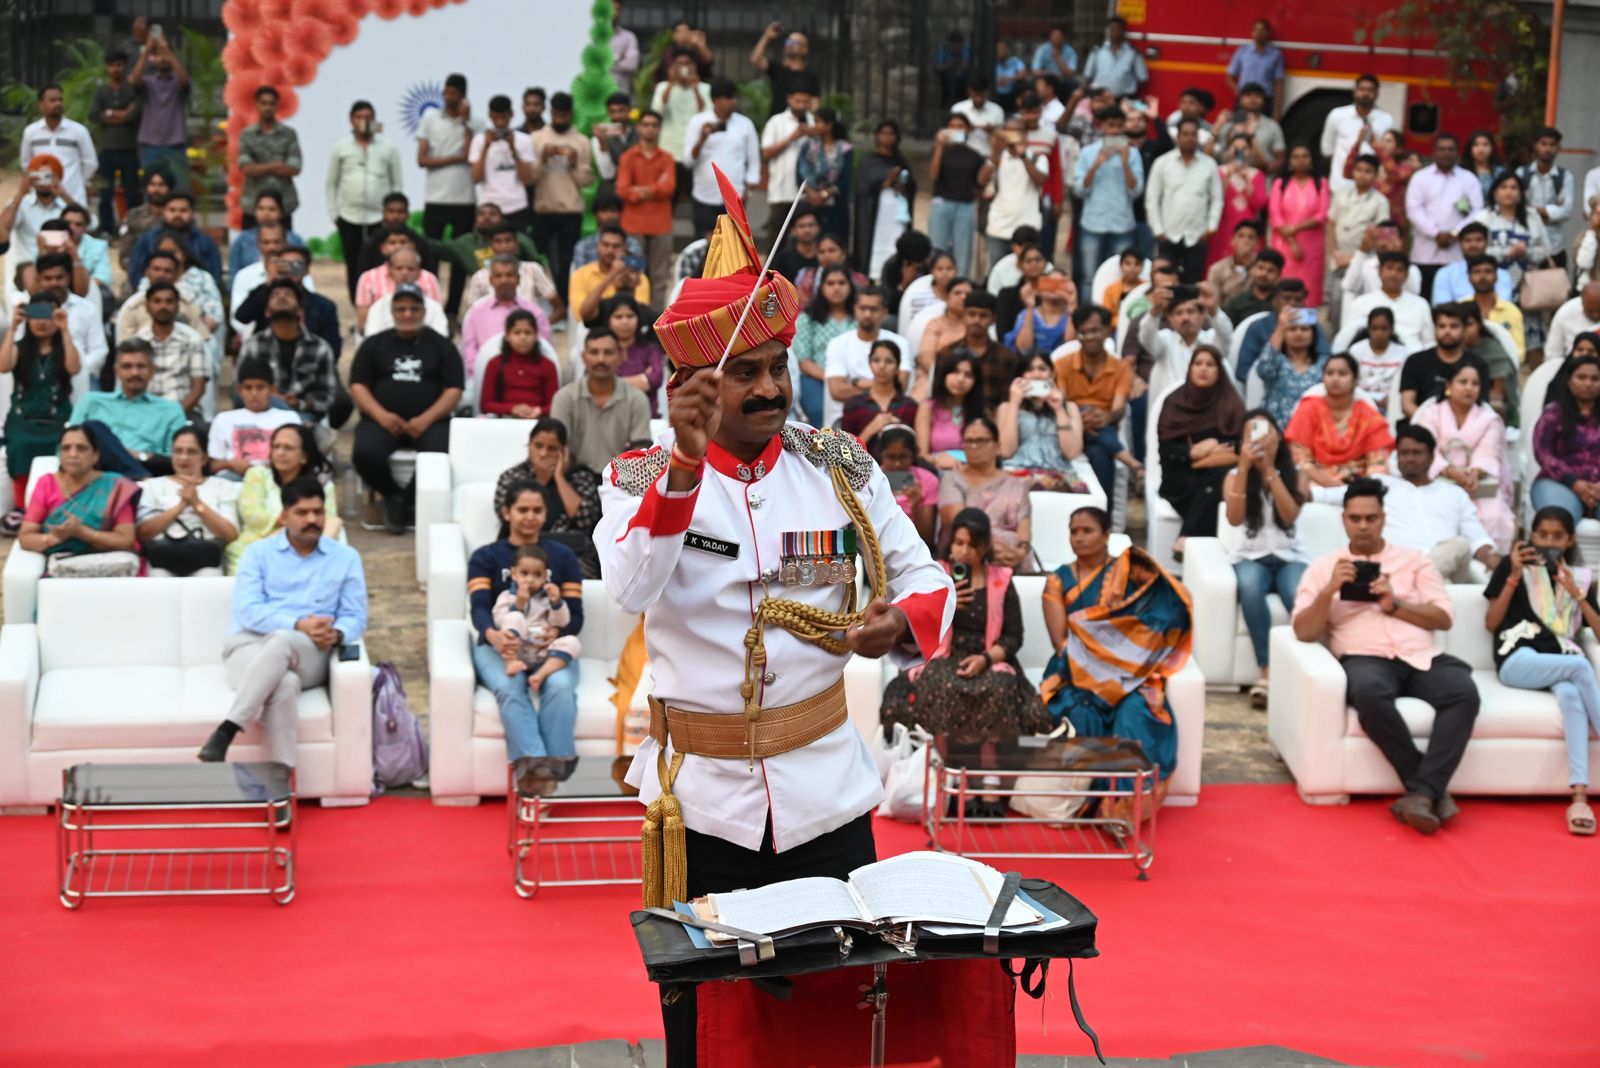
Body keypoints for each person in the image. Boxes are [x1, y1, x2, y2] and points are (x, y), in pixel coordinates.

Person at [595, 175, 952, 1063]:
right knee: (705, 1030)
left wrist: (897, 625)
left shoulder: (838, 465)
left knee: (831, 1018)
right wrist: (682, 466)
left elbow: (929, 577)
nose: (766, 389)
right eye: (742, 373)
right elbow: (632, 587)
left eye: (775, 368)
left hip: (826, 796)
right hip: (701, 812)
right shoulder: (637, 478)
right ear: (689, 388)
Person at [195, 477, 366, 770]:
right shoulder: (257, 554)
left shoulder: (345, 557)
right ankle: (282, 787)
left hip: (309, 651)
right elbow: (248, 611)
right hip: (248, 646)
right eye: (302, 513)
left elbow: (357, 615)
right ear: (284, 516)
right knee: (285, 683)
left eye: (317, 512)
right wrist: (298, 624)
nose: (312, 520)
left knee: (285, 641)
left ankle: (228, 729)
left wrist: (336, 634)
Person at [1041, 506, 1189, 797]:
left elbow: (1153, 623)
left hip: (1128, 671)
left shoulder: (1131, 575)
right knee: (1081, 712)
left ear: (1107, 535)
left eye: (1088, 531)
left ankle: (1126, 801)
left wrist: (1120, 663)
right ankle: (1089, 800)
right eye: (1074, 532)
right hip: (1074, 671)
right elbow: (1060, 641)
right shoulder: (1058, 580)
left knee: (1135, 712)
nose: (1079, 538)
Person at [880, 504, 1051, 753]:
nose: (963, 551)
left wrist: (984, 659)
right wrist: (947, 603)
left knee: (1000, 688)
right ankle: (941, 762)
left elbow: (1014, 637)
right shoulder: (936, 575)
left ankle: (989, 771)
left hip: (987, 656)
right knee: (939, 684)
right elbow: (913, 620)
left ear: (984, 547)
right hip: (942, 654)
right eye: (958, 543)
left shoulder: (1002, 579)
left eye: (972, 545)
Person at [1484, 507, 1600, 834]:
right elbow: (1491, 623)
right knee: (1579, 667)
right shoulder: (1512, 565)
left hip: (1559, 661)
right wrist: (1513, 576)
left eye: (1557, 537)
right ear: (1531, 535)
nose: (1549, 541)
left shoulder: (1578, 576)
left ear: (1570, 540)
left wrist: (1577, 596)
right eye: (1542, 535)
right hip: (1516, 659)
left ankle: (1579, 796)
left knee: (1572, 696)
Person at [348, 284, 465, 533]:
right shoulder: (374, 344)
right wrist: (382, 416)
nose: (407, 314)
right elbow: (358, 385)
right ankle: (393, 496)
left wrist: (425, 419)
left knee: (442, 454)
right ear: (392, 312)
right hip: (382, 420)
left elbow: (454, 389)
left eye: (414, 308)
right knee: (365, 453)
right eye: (401, 309)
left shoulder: (442, 346)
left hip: (431, 420)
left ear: (424, 311)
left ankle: (407, 500)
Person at [1224, 408, 1308, 706]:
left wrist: (1270, 469)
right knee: (1249, 588)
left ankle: (1304, 668)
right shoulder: (1234, 475)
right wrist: (1246, 469)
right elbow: (1234, 519)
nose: (1258, 440)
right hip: (1250, 556)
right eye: (1251, 435)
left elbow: (1290, 514)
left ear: (1277, 439)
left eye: (1264, 433)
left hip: (1289, 556)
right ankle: (1267, 672)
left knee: (1298, 593)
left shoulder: (1294, 474)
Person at [1410, 360, 1513, 551]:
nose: (1469, 388)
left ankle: (1490, 569)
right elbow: (1425, 450)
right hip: (1438, 479)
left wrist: (1473, 474)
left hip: (1478, 483)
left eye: (1475, 383)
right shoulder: (1431, 414)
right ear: (1449, 385)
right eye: (1463, 382)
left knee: (1495, 515)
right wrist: (1450, 472)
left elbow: (1488, 453)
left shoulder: (1489, 419)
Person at [16, 425, 139, 577]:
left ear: (95, 455)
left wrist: (82, 532)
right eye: (66, 448)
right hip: (62, 568)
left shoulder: (115, 486)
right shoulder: (47, 484)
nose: (73, 454)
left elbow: (125, 539)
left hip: (109, 568)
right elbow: (25, 537)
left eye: (81, 448)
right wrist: (52, 538)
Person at [1, 297, 80, 530]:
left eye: (47, 315)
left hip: (56, 418)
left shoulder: (63, 348)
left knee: (60, 445)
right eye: (35, 315)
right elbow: (3, 365)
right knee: (21, 445)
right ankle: (22, 506)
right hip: (23, 418)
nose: (41, 322)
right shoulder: (20, 348)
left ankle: (54, 504)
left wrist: (65, 329)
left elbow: (74, 368)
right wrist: (13, 327)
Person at [1158, 345, 1244, 551]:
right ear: (1190, 369)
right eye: (1198, 364)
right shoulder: (1175, 402)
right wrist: (1190, 453)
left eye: (1210, 364)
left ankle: (1188, 537)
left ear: (1219, 371)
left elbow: (1244, 443)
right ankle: (1206, 551)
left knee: (1219, 478)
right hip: (1181, 476)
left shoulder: (1230, 402)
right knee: (1215, 482)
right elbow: (1166, 450)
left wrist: (1216, 448)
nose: (1203, 369)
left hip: (1220, 472)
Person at [492, 419, 604, 578]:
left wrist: (558, 477)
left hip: (572, 552)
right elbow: (507, 516)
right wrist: (541, 479)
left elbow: (584, 518)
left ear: (564, 451)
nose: (543, 454)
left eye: (552, 448)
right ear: (529, 446)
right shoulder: (512, 478)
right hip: (520, 548)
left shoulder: (580, 477)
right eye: (538, 446)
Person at [227, 423, 340, 573]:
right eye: (276, 447)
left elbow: (328, 521)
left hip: (306, 549)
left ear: (304, 456)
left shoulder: (323, 486)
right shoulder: (257, 475)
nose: (280, 452)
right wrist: (293, 523)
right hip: (256, 545)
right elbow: (252, 515)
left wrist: (289, 524)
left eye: (288, 448)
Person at [326, 100, 405, 301]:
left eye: (369, 118)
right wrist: (335, 214)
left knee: (380, 261)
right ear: (351, 120)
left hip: (379, 218)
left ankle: (382, 300)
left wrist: (393, 215)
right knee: (353, 264)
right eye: (359, 117)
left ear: (375, 120)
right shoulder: (340, 147)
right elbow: (331, 183)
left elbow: (397, 183)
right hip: (349, 217)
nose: (364, 121)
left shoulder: (388, 148)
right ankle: (358, 305)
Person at [135, 426, 239, 576]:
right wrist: (180, 507)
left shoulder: (223, 487)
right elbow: (143, 533)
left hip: (206, 558)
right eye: (178, 451)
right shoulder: (152, 486)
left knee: (209, 577)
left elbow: (230, 534)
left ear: (204, 457)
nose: (184, 457)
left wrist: (197, 504)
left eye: (191, 452)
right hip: (162, 557)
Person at [550, 326, 653, 474]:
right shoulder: (564, 398)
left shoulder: (637, 399)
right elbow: (558, 447)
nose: (601, 359)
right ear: (584, 357)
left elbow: (640, 450)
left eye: (608, 352)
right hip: (575, 477)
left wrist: (618, 482)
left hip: (622, 480)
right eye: (594, 352)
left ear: (621, 356)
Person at [1285, 352, 1393, 490]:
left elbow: (1378, 462)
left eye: (1342, 374)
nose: (1335, 378)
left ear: (1355, 379)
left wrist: (1361, 489)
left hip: (1360, 487)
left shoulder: (1368, 416)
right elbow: (1299, 459)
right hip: (1315, 485)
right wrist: (1333, 485)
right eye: (1330, 373)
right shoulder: (1308, 409)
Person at [235, 280, 338, 424]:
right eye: (275, 295)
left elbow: (327, 396)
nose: (282, 297)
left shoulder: (320, 347)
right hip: (262, 412)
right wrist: (270, 395)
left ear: (300, 311)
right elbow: (241, 388)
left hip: (303, 414)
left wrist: (300, 403)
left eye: (288, 295)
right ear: (267, 311)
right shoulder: (253, 345)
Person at [937, 416, 1033, 569]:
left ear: (997, 446)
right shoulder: (952, 480)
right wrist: (990, 550)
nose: (974, 446)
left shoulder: (1015, 484)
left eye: (981, 441)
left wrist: (1020, 553)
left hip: (1011, 558)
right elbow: (959, 524)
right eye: (969, 441)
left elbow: (1024, 532)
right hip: (968, 555)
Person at [527, 92, 594, 298]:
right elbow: (529, 178)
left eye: (564, 114)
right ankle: (538, 302)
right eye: (556, 114)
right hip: (543, 209)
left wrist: (574, 163)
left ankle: (564, 305)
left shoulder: (581, 141)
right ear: (551, 112)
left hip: (571, 210)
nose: (560, 118)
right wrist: (543, 160)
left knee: (566, 261)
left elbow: (587, 180)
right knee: (535, 259)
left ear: (571, 114)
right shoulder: (537, 139)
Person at [1074, 106, 1145, 288]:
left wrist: (1125, 163)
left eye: (1118, 126)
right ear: (1102, 127)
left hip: (1122, 224)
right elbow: (1079, 190)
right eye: (1110, 126)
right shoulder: (1088, 153)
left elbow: (1136, 192)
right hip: (1093, 222)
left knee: (1121, 278)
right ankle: (1088, 316)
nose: (1114, 130)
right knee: (1089, 278)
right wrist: (1096, 165)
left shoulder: (1133, 154)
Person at [1146, 118, 1223, 284]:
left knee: (1192, 283)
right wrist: (1159, 231)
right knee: (1165, 281)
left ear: (1198, 137)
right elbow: (1152, 199)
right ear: (1178, 136)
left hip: (1198, 235)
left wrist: (1211, 227)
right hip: (1168, 234)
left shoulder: (1209, 164)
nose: (1189, 138)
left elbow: (1217, 199)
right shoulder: (1162, 163)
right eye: (1185, 134)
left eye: (1193, 134)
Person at [1405, 134, 1484, 295]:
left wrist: (1455, 233)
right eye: (1441, 149)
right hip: (1424, 254)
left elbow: (1478, 210)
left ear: (1457, 153)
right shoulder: (1420, 178)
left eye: (1450, 150)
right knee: (1424, 299)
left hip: (1457, 255)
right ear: (1434, 152)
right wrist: (1435, 234)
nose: (1446, 153)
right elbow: (1413, 210)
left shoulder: (1468, 179)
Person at [823, 286, 909, 426]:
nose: (867, 314)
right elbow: (837, 391)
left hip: (890, 415)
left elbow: (901, 386)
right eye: (863, 308)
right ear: (855, 309)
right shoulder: (837, 343)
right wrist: (881, 386)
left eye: (874, 309)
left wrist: (856, 383)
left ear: (884, 313)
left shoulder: (899, 342)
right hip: (844, 417)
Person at [685, 81, 761, 238]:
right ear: (715, 100)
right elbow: (688, 161)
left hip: (735, 197)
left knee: (732, 247)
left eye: (734, 97)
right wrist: (702, 138)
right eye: (728, 98)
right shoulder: (697, 121)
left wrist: (748, 191)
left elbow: (754, 160)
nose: (733, 101)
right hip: (704, 195)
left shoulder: (745, 124)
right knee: (703, 247)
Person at [1531, 353, 1600, 524]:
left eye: (1595, 378)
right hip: (1558, 482)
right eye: (1581, 377)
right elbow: (1543, 454)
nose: (1588, 383)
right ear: (1569, 380)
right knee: (1559, 517)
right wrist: (1574, 482)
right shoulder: (1553, 414)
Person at [1138, 282, 1233, 403]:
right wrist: (1155, 311)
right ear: (1169, 318)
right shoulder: (1165, 341)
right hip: (1171, 411)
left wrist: (1214, 310)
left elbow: (1226, 335)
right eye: (1179, 313)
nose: (1185, 318)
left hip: (1209, 409)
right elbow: (1146, 336)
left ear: (1202, 315)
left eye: (1191, 311)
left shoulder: (1212, 340)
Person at [616, 109, 677, 300]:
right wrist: (655, 188)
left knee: (659, 278)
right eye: (646, 124)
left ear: (659, 129)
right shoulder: (628, 157)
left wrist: (640, 190)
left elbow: (669, 187)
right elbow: (623, 190)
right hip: (633, 225)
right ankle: (634, 317)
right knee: (632, 275)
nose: (650, 129)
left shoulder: (667, 158)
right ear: (638, 127)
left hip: (661, 225)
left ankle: (656, 325)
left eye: (654, 125)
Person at [1471, 170, 1553, 309]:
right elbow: (1476, 251)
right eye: (1503, 187)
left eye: (1514, 187)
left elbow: (1545, 250)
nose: (1509, 192)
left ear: (1521, 194)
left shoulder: (1532, 216)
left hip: (1529, 284)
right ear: (1495, 193)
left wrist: (1526, 252)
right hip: (1491, 282)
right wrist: (1508, 252)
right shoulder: (1484, 217)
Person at [999, 352, 1083, 483]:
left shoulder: (1070, 408)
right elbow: (1006, 451)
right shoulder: (1006, 407)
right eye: (1029, 370)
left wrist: (1059, 410)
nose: (1036, 374)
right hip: (1018, 473)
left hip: (1058, 475)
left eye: (1042, 369)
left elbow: (1072, 452)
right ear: (1021, 375)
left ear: (1052, 373)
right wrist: (1014, 404)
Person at [460, 255, 550, 376]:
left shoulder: (534, 312)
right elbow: (469, 352)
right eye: (498, 276)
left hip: (527, 376)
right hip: (483, 376)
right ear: (491, 280)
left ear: (518, 279)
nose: (504, 280)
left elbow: (544, 349)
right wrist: (484, 374)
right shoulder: (476, 312)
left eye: (509, 275)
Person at [791, 265, 857, 426]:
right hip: (817, 377)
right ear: (821, 287)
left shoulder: (859, 316)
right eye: (831, 283)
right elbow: (803, 360)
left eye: (842, 283)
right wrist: (832, 378)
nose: (836, 288)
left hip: (856, 377)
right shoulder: (808, 318)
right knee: (817, 410)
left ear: (850, 286)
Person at [416, 73, 478, 242]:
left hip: (465, 198)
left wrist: (466, 122)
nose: (448, 97)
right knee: (432, 249)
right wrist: (455, 158)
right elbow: (421, 160)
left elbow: (472, 154)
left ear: (464, 95)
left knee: (461, 253)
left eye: (454, 94)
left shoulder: (476, 123)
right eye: (446, 92)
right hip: (436, 197)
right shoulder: (430, 120)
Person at [928, 111, 990, 278]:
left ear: (968, 130)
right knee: (937, 247)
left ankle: (960, 283)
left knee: (963, 251)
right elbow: (933, 175)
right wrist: (940, 146)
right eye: (952, 126)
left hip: (965, 205)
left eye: (961, 126)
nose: (956, 130)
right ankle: (936, 279)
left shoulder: (974, 155)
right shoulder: (939, 150)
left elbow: (980, 182)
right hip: (942, 203)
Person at [852, 119, 915, 280]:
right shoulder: (869, 160)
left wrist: (902, 184)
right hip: (876, 210)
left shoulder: (900, 160)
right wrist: (885, 182)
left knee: (895, 240)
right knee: (875, 243)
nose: (887, 137)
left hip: (896, 210)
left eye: (891, 133)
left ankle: (893, 273)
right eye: (883, 133)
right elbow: (863, 187)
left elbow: (912, 185)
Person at [1267, 146, 1330, 307]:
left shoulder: (1320, 183)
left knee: (1310, 286)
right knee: (1284, 284)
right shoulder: (1280, 183)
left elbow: (1322, 214)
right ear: (1289, 161)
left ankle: (1306, 326)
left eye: (1305, 156)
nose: (1300, 160)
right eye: (1295, 156)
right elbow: (1275, 214)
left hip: (1312, 246)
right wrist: (1292, 240)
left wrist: (1295, 228)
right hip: (1284, 243)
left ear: (1311, 160)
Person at [759, 76, 819, 240]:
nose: (801, 105)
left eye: (805, 101)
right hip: (781, 191)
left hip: (807, 193)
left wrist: (814, 134)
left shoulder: (816, 123)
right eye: (797, 100)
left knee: (806, 239)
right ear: (789, 99)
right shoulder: (776, 122)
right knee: (777, 239)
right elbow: (765, 153)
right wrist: (791, 138)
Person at [130, 31, 190, 192]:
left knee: (179, 189)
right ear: (153, 59)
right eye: (159, 55)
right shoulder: (148, 82)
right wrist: (147, 51)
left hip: (175, 143)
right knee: (151, 189)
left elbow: (185, 81)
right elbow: (134, 80)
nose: (163, 58)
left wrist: (167, 50)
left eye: (166, 55)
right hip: (150, 144)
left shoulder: (178, 82)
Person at [21, 83, 97, 208]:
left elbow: (91, 163)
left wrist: (75, 181)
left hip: (73, 198)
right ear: (41, 105)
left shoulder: (79, 131)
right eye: (52, 100)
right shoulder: (30, 132)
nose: (57, 104)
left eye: (60, 100)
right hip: (42, 201)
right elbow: (27, 164)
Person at [135, 281, 206, 413]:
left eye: (169, 302)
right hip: (145, 413)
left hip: (184, 412)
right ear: (147, 306)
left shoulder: (192, 339)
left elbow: (199, 388)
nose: (163, 306)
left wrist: (175, 415)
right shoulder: (138, 341)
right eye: (157, 301)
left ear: (178, 306)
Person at [1398, 303, 1480, 417]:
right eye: (1442, 326)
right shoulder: (1415, 361)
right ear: (1434, 328)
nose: (1447, 331)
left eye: (1453, 326)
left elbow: (1481, 406)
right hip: (1421, 427)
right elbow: (1407, 405)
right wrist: (1432, 424)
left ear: (1464, 329)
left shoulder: (1477, 364)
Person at [1254, 302, 1327, 429]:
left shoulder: (1324, 364)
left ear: (1313, 334)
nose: (1298, 333)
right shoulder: (1276, 361)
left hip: (1312, 430)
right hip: (1273, 430)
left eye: (1304, 329)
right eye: (1292, 329)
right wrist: (1281, 327)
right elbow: (1264, 370)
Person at [236, 86, 301, 229]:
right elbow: (247, 169)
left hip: (283, 204)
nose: (267, 107)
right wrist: (276, 166)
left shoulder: (289, 134)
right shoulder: (247, 135)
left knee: (283, 248)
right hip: (252, 204)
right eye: (263, 103)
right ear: (256, 105)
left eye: (272, 104)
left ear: (277, 106)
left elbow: (294, 168)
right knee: (250, 247)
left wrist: (259, 167)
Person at [126, 190, 221, 288]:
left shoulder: (205, 242)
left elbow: (215, 276)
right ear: (163, 212)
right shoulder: (147, 240)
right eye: (172, 210)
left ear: (192, 213)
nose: (177, 215)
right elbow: (135, 273)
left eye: (183, 210)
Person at [1320, 74, 1394, 197]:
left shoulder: (1386, 120)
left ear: (1377, 94)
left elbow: (1389, 154)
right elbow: (1328, 150)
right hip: (1341, 186)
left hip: (1373, 190)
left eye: (1370, 90)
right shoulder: (1337, 115)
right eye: (1362, 89)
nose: (1365, 94)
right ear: (1355, 91)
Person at [91, 51, 141, 233]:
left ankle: (133, 228)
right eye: (112, 65)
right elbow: (95, 114)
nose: (116, 69)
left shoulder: (133, 89)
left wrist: (110, 114)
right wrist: (121, 114)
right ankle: (107, 229)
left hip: (129, 148)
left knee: (132, 192)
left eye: (119, 65)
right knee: (105, 192)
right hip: (107, 149)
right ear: (107, 68)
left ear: (125, 65)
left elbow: (136, 114)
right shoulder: (102, 90)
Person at [841, 340, 918, 453]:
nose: (882, 366)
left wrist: (899, 427)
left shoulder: (910, 406)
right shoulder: (854, 405)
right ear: (870, 364)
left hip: (900, 469)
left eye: (889, 361)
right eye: (876, 360)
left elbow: (917, 449)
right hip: (864, 468)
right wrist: (871, 429)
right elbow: (844, 452)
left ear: (897, 366)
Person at [1347, 251, 1434, 351]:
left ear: (1406, 275)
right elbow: (1350, 337)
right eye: (1389, 268)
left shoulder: (1420, 304)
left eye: (1399, 270)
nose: (1394, 274)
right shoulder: (1361, 303)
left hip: (1413, 359)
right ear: (1379, 272)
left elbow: (1430, 342)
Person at [570, 225, 651, 327]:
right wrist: (612, 274)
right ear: (597, 246)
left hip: (627, 329)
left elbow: (639, 312)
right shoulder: (580, 274)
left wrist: (624, 274)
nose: (610, 250)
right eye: (605, 245)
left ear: (624, 248)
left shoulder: (639, 277)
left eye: (616, 246)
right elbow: (580, 315)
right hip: (593, 328)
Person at [917, 352, 985, 470]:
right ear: (944, 375)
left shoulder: (982, 411)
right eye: (955, 372)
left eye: (968, 375)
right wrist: (938, 459)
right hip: (939, 470)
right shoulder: (928, 408)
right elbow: (921, 456)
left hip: (974, 471)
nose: (961, 379)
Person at [1207, 142, 1267, 275]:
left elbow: (1259, 204)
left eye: (1244, 148)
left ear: (1250, 151)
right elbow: (1214, 201)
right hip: (1222, 229)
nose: (1239, 151)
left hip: (1248, 231)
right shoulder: (1219, 172)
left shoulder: (1256, 175)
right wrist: (1228, 177)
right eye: (1235, 147)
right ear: (1228, 150)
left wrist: (1247, 180)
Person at [875, 425, 939, 546]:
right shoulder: (871, 479)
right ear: (882, 455)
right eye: (891, 457)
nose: (897, 464)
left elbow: (927, 538)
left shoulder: (929, 480)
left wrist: (916, 507)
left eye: (903, 457)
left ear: (913, 455)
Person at [796, 107, 853, 240]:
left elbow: (845, 178)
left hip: (836, 204)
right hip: (811, 204)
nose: (815, 126)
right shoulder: (808, 146)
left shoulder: (845, 149)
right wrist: (812, 194)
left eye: (818, 122)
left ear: (829, 125)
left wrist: (825, 194)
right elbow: (800, 173)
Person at [1428, 222, 1511, 304]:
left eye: (1478, 240)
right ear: (1460, 244)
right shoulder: (1445, 274)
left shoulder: (1502, 275)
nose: (1473, 244)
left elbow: (1503, 306)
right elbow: (1442, 308)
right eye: (1468, 240)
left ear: (1487, 243)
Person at [1215, 83, 1286, 174]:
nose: (1253, 99)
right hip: (1229, 180)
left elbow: (1280, 158)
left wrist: (1263, 171)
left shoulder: (1272, 126)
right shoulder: (1228, 123)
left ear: (1264, 101)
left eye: (1257, 96)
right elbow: (1219, 153)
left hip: (1261, 180)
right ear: (1240, 100)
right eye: (1248, 95)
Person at [1347, 306, 1407, 410]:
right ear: (1368, 329)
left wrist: (1391, 400)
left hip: (1391, 404)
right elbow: (1350, 381)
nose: (1379, 333)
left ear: (1391, 329)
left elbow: (1403, 384)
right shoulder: (1356, 350)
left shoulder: (1403, 353)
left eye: (1384, 328)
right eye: (1374, 328)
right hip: (1360, 402)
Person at [1004, 273, 1074, 357]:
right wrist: (1030, 307)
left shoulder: (1073, 314)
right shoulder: (1025, 314)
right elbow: (1024, 348)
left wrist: (1072, 305)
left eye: (1060, 284)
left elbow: (1071, 346)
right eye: (1048, 283)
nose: (1053, 288)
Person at [914, 277, 973, 375]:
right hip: (933, 376)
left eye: (968, 294)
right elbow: (926, 357)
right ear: (947, 297)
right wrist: (943, 378)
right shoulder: (935, 324)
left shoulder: (975, 326)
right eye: (957, 293)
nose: (963, 297)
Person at [1082, 16, 1148, 98]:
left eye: (1118, 29)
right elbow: (1088, 76)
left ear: (1123, 31)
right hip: (1099, 99)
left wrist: (1126, 87)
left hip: (1123, 99)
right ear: (1108, 31)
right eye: (1112, 29)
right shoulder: (1098, 50)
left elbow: (1143, 79)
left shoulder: (1133, 53)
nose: (1115, 32)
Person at [1222, 249, 1285, 326]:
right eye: (1260, 268)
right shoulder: (1237, 303)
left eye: (1270, 271)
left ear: (1278, 276)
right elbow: (1225, 331)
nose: (1264, 274)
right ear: (1253, 270)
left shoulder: (1284, 303)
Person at [1546, 285, 1600, 369]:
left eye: (1599, 310)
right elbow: (1553, 354)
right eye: (1590, 311)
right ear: (1581, 302)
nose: (1595, 314)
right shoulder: (1565, 314)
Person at [769, 207, 821, 283]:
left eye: (811, 225)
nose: (807, 230)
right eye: (801, 226)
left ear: (818, 228)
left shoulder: (827, 256)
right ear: (793, 230)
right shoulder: (783, 259)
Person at [1466, 131, 1500, 201]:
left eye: (1485, 145)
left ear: (1492, 148)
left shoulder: (1499, 172)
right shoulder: (1461, 172)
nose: (1481, 149)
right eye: (1476, 145)